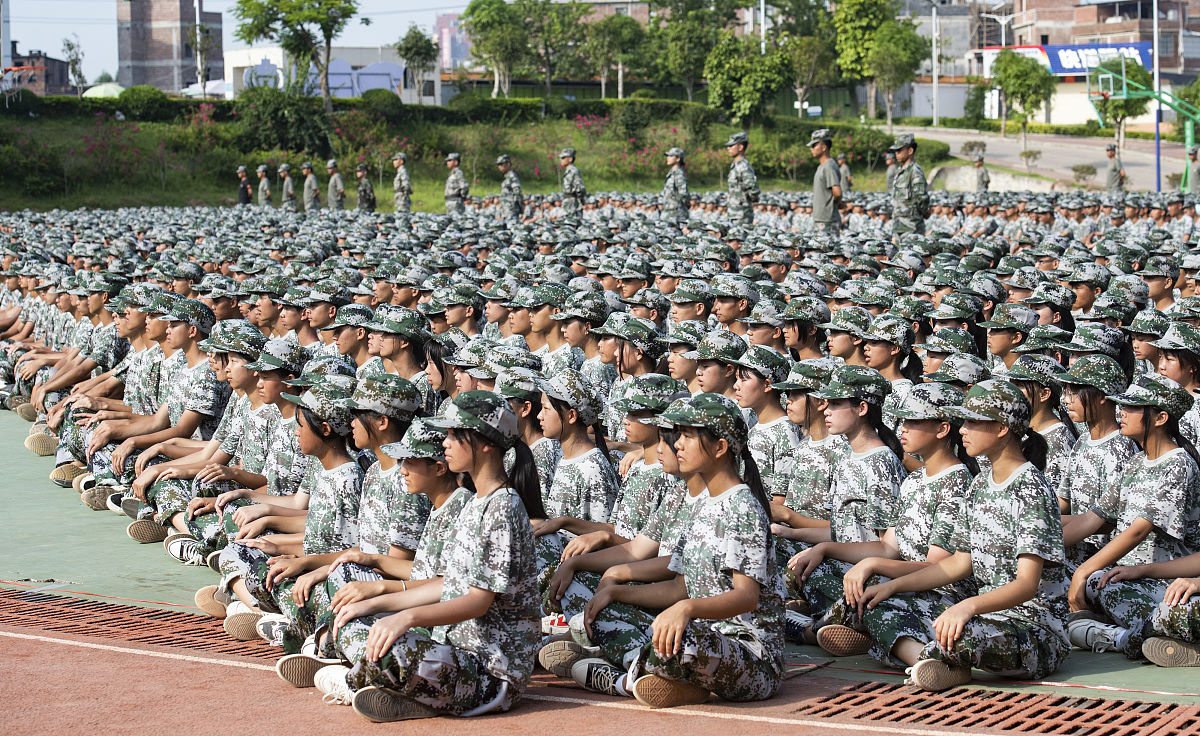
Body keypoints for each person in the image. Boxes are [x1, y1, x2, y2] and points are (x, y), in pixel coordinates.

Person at [325, 391, 543, 721]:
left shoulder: (503, 507)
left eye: (456, 435)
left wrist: (408, 617)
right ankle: (409, 693)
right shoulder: (477, 503)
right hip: (456, 650)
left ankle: (362, 679)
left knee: (391, 648)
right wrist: (377, 604)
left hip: (491, 672)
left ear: (485, 442)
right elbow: (449, 586)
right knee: (361, 622)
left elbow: (477, 602)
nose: (446, 443)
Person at [571, 392, 785, 709]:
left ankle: (623, 680)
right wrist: (616, 594)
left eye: (688, 435)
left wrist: (687, 609)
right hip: (704, 637)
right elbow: (678, 587)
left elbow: (746, 597)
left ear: (720, 447)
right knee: (603, 612)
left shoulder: (743, 507)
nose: (678, 444)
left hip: (750, 657)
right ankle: (662, 678)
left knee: (681, 639)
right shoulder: (701, 505)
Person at [858, 379, 1069, 691]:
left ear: (1001, 428)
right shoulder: (980, 484)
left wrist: (968, 606)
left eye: (973, 422)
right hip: (987, 616)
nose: (963, 430)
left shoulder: (1031, 488)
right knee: (877, 599)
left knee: (961, 634)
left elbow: (1027, 585)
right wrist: (894, 587)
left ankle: (928, 658)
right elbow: (957, 564)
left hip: (1034, 629)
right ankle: (934, 662)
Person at [890, 133, 928, 240]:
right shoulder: (899, 171)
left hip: (912, 227)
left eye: (899, 151)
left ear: (910, 151)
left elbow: (922, 198)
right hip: (898, 226)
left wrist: (922, 212)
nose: (896, 154)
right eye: (895, 151)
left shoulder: (915, 171)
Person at [809, 129, 843, 234]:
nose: (811, 149)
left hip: (828, 221)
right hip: (822, 220)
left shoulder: (829, 166)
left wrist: (831, 206)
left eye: (814, 145)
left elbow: (837, 192)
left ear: (824, 147)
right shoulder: (822, 166)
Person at [724, 132, 759, 227]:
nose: (728, 148)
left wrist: (746, 202)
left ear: (740, 147)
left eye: (731, 146)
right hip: (734, 213)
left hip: (742, 214)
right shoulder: (735, 165)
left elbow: (752, 188)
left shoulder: (743, 166)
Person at [660, 147, 690, 225]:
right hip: (669, 212)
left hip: (676, 214)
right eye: (667, 156)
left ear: (678, 159)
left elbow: (683, 194)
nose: (668, 158)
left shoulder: (678, 174)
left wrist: (674, 205)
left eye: (670, 156)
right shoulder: (672, 172)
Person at [559, 148, 586, 222]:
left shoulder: (574, 171)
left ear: (570, 159)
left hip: (573, 201)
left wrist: (579, 198)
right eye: (561, 158)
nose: (561, 160)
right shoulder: (568, 171)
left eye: (563, 158)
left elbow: (580, 188)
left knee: (573, 222)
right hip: (568, 200)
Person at [496, 154, 523, 221]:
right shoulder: (507, 177)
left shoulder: (512, 176)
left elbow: (517, 192)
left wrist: (520, 207)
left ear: (508, 164)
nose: (499, 167)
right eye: (498, 165)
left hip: (511, 210)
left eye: (501, 164)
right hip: (505, 210)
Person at [443, 153, 469, 217]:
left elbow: (465, 186)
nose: (447, 162)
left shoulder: (458, 173)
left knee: (457, 221)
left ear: (456, 162)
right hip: (450, 202)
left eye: (450, 160)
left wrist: (461, 197)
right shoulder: (452, 173)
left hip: (456, 202)